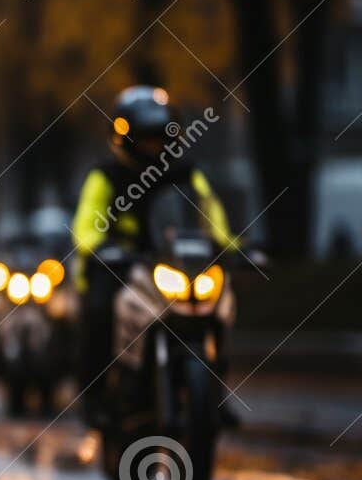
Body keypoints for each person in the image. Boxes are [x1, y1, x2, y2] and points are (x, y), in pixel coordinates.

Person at [69, 86, 237, 428]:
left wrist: (230, 247)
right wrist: (98, 247)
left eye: (159, 138)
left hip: (174, 265)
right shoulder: (105, 176)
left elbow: (211, 215)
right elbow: (85, 225)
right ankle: (95, 396)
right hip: (120, 269)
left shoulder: (187, 174)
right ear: (125, 139)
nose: (153, 146)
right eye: (145, 139)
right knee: (99, 308)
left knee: (220, 303)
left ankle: (213, 392)